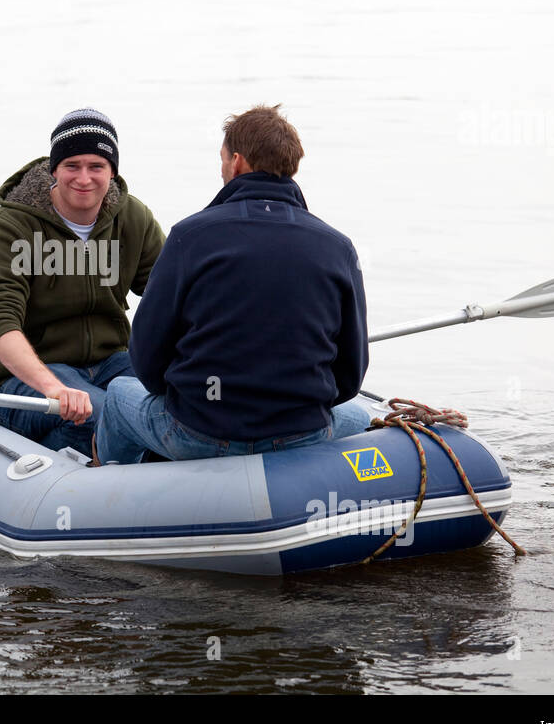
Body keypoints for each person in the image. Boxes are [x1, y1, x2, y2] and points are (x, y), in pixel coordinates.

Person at [94, 104, 370, 464]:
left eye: (222, 159)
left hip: (201, 432)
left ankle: (112, 492)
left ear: (236, 162)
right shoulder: (338, 247)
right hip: (301, 431)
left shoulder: (190, 236)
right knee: (362, 417)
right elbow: (351, 375)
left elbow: (145, 359)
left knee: (118, 393)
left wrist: (189, 398)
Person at [0, 108, 165, 455]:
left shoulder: (134, 218)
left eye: (97, 167)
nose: (84, 178)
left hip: (111, 361)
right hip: (29, 375)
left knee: (175, 403)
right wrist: (54, 388)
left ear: (112, 171)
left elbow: (172, 299)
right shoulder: (11, 227)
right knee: (100, 414)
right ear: (54, 169)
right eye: (72, 166)